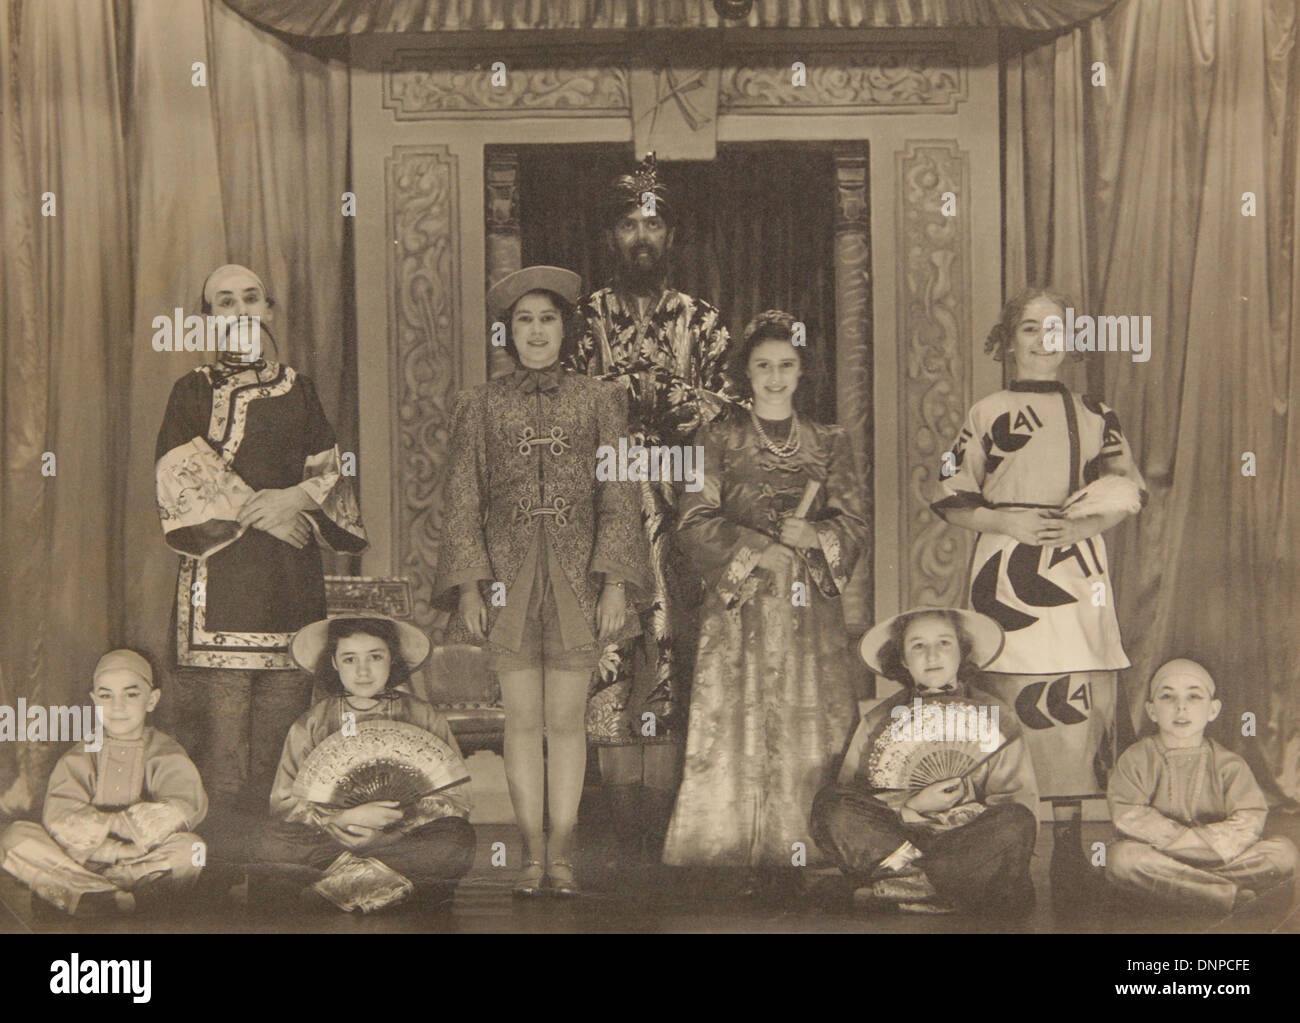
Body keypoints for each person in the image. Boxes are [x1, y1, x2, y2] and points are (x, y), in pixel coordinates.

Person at [434, 266, 649, 896]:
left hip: (579, 581)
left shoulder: (601, 399)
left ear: (566, 328)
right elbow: (462, 499)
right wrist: (471, 586)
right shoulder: (478, 403)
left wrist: (614, 583)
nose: (535, 331)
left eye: (547, 318)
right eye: (523, 319)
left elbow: (620, 492)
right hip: (507, 583)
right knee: (521, 723)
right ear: (508, 331)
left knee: (568, 722)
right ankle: (530, 858)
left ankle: (564, 856)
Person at [930, 286, 1146, 869]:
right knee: (1008, 689)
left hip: (1077, 569)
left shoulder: (1098, 414)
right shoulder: (984, 412)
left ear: (1071, 340)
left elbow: (1128, 490)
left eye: (1055, 327)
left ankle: (1072, 850)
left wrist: (1083, 529)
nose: (1043, 337)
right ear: (1009, 339)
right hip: (1004, 567)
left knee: (1079, 692)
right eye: (1030, 326)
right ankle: (1011, 846)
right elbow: (949, 494)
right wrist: (1005, 521)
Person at [660, 311, 867, 895]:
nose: (775, 377)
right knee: (738, 716)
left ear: (803, 371)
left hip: (808, 612)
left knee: (813, 719)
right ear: (745, 373)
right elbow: (694, 520)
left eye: (786, 365)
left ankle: (809, 847)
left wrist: (817, 537)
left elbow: (854, 522)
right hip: (741, 609)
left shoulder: (831, 442)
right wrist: (757, 549)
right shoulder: (717, 439)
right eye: (763, 366)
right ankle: (735, 850)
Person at [568, 152, 736, 864]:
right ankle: (601, 804)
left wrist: (676, 401)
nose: (642, 236)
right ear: (612, 237)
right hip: (604, 496)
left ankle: (673, 807)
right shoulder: (585, 318)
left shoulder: (704, 322)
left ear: (673, 237)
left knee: (674, 637)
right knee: (608, 638)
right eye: (630, 223)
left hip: (679, 498)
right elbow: (569, 405)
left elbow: (731, 412)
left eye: (653, 223)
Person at [154, 264, 367, 824]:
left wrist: (292, 499)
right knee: (222, 761)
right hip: (217, 592)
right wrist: (264, 512)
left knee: (281, 755)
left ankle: (274, 887)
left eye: (251, 298)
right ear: (207, 319)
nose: (240, 309)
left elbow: (333, 474)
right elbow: (177, 472)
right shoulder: (190, 391)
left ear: (268, 309)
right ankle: (219, 884)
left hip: (290, 589)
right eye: (225, 301)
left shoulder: (301, 389)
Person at [811, 609, 1039, 915]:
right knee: (830, 804)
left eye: (944, 643)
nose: (932, 655)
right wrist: (913, 808)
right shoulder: (878, 719)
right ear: (903, 659)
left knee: (1016, 821)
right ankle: (938, 890)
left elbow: (1014, 799)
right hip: (894, 841)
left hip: (964, 843)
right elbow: (857, 799)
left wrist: (958, 814)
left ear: (962, 651)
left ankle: (898, 888)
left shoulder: (996, 715)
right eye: (918, 645)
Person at [254, 615, 475, 912]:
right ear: (333, 662)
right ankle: (387, 890)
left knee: (457, 837)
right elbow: (283, 802)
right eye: (349, 659)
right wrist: (340, 820)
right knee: (268, 839)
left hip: (401, 843)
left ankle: (337, 892)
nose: (363, 671)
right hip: (332, 843)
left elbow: (454, 799)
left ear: (392, 658)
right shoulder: (313, 722)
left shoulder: (423, 716)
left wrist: (388, 832)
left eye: (375, 656)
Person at [0, 650, 208, 917]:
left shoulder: (166, 752)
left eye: (131, 694)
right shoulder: (82, 753)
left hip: (140, 861)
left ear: (152, 700)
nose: (117, 706)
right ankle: (104, 895)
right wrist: (115, 840)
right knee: (13, 837)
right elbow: (59, 816)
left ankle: (91, 894)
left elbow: (185, 805)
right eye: (106, 695)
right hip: (81, 860)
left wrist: (133, 850)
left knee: (194, 850)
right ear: (94, 700)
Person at [1105, 658, 1297, 916]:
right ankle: (1228, 895)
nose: (1181, 707)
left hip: (1217, 857)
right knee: (1121, 859)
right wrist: (1182, 841)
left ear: (1213, 709)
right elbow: (1128, 814)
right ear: (1151, 710)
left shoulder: (1230, 764)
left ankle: (1188, 891)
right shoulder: (1135, 759)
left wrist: (1203, 844)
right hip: (1160, 855)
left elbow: (1249, 819)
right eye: (1167, 697)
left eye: (1194, 697)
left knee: (1284, 853)